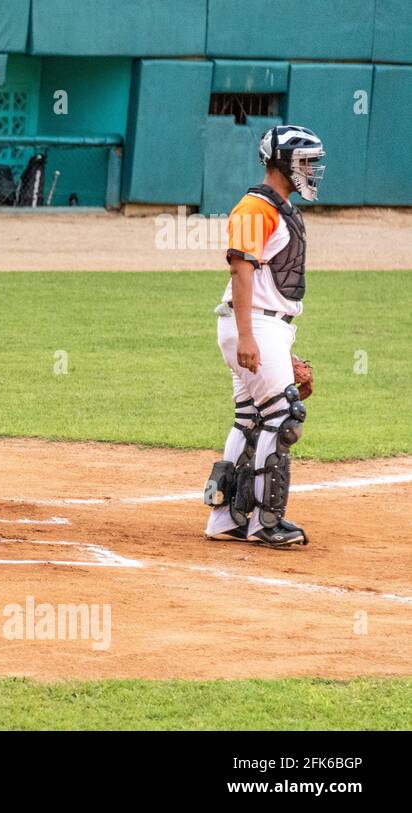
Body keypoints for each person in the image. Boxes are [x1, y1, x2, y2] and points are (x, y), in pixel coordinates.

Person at [203, 125, 325, 548]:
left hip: (262, 325)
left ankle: (227, 518)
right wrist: (248, 338)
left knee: (250, 418)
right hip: (252, 323)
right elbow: (241, 270)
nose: (312, 169)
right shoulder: (257, 209)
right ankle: (265, 523)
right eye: (306, 161)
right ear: (284, 163)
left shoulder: (279, 208)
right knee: (283, 418)